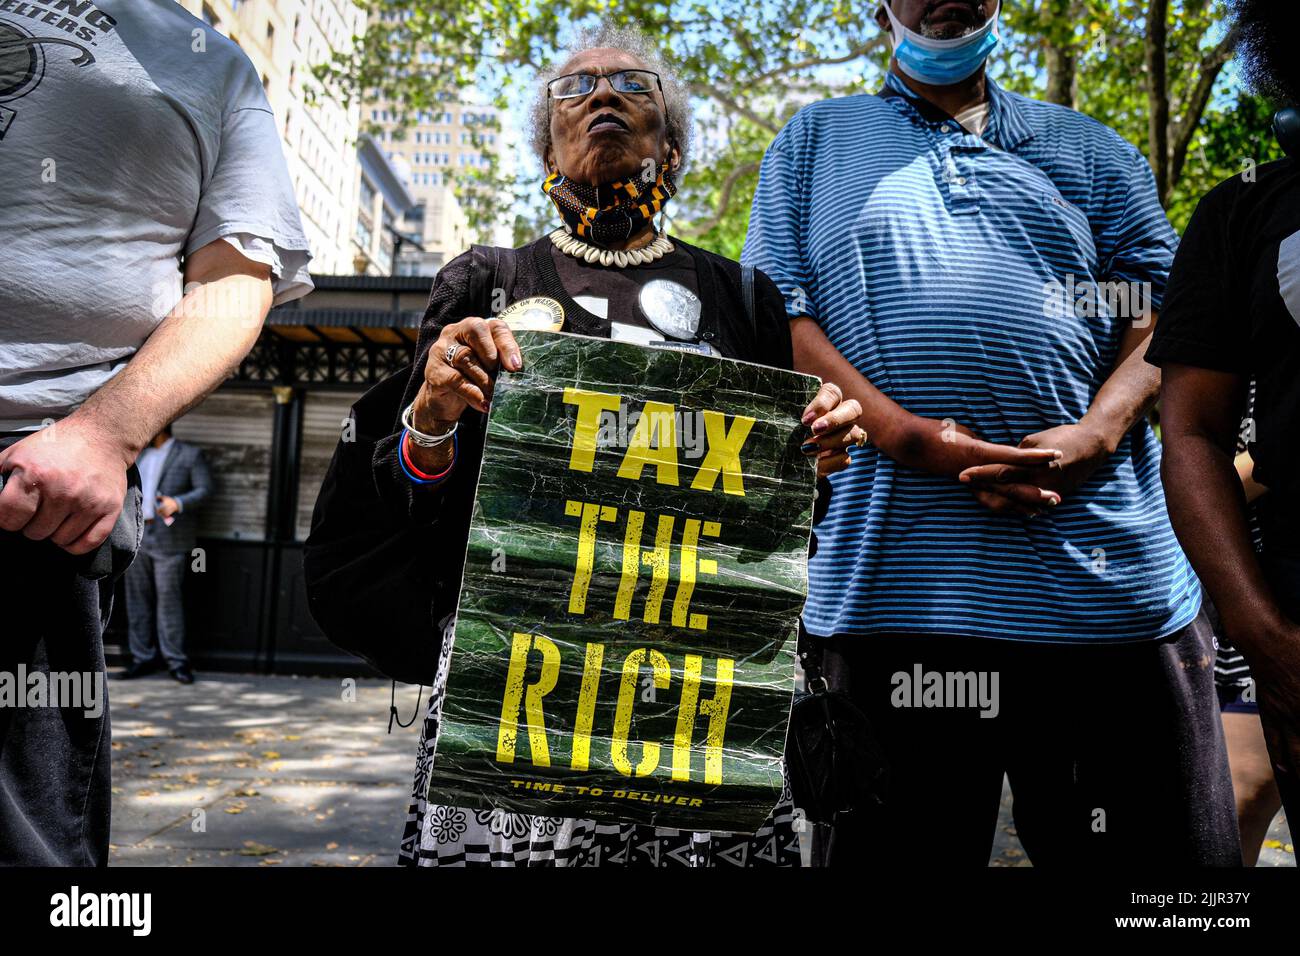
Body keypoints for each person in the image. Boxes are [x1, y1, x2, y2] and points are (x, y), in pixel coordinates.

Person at [304, 27, 866, 867]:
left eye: (630, 85)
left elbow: (781, 518)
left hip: (702, 689)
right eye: (576, 89)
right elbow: (415, 490)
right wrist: (431, 418)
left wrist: (817, 453)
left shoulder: (744, 295)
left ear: (669, 149)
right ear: (548, 147)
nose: (601, 95)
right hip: (523, 679)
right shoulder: (485, 283)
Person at [741, 0, 1239, 865]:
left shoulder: (1090, 148)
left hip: (1108, 604)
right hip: (898, 598)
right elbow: (780, 312)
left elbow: (1165, 309)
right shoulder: (814, 143)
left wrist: (1098, 432)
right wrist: (910, 439)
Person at [0, 0, 311, 866]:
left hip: (33, 481)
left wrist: (101, 439)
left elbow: (234, 283)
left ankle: (166, 659)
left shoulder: (212, 64)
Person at [1146, 0, 1300, 856]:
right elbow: (1193, 437)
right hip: (1261, 602)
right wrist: (1267, 638)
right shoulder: (1241, 214)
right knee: (1235, 798)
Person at [116, 425, 213, 685]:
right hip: (137, 535)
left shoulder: (190, 455)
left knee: (169, 602)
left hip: (170, 539)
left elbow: (205, 490)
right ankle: (142, 658)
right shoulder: (141, 456)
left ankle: (176, 661)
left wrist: (177, 503)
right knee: (137, 601)